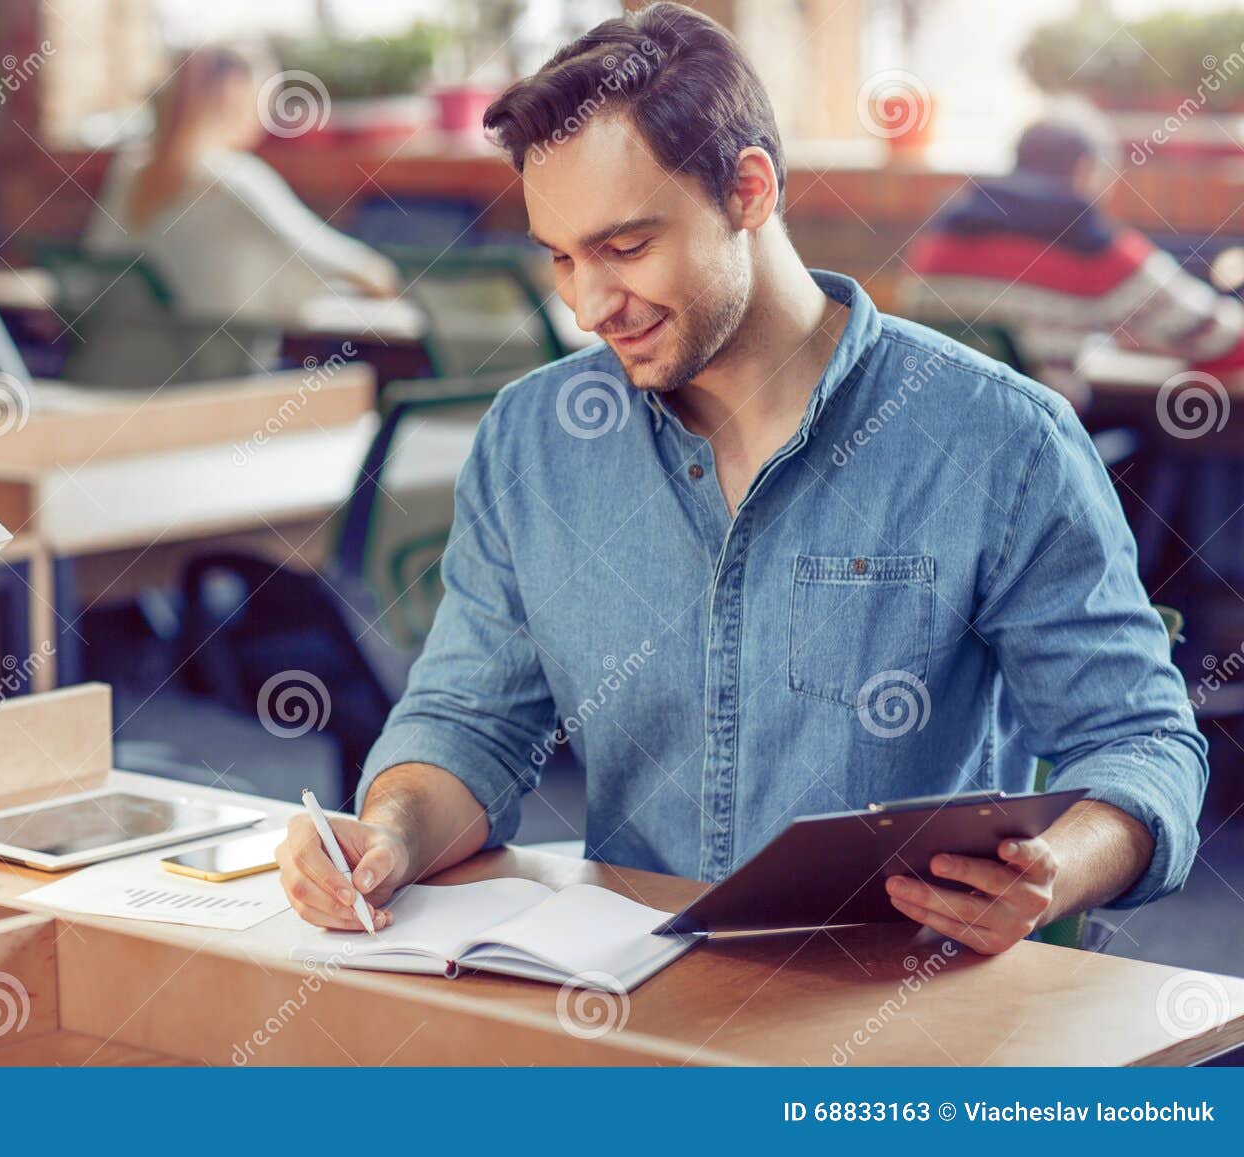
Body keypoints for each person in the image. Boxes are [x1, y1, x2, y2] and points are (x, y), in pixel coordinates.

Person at [274, 3, 1206, 956]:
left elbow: (1144, 745)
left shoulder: (999, 439)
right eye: (561, 257)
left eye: (626, 247)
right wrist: (387, 834)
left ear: (750, 189)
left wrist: (1054, 868)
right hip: (635, 1001)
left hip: (900, 1012)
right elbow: (472, 722)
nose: (590, 305)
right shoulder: (532, 440)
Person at [82, 47, 401, 370]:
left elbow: (93, 267)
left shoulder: (128, 173)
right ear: (235, 92)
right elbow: (358, 268)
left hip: (110, 381)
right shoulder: (234, 178)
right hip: (216, 395)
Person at [900, 112, 1244, 405]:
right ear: (1085, 170)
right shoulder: (1090, 245)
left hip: (934, 457)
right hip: (1040, 460)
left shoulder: (939, 238)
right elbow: (1225, 342)